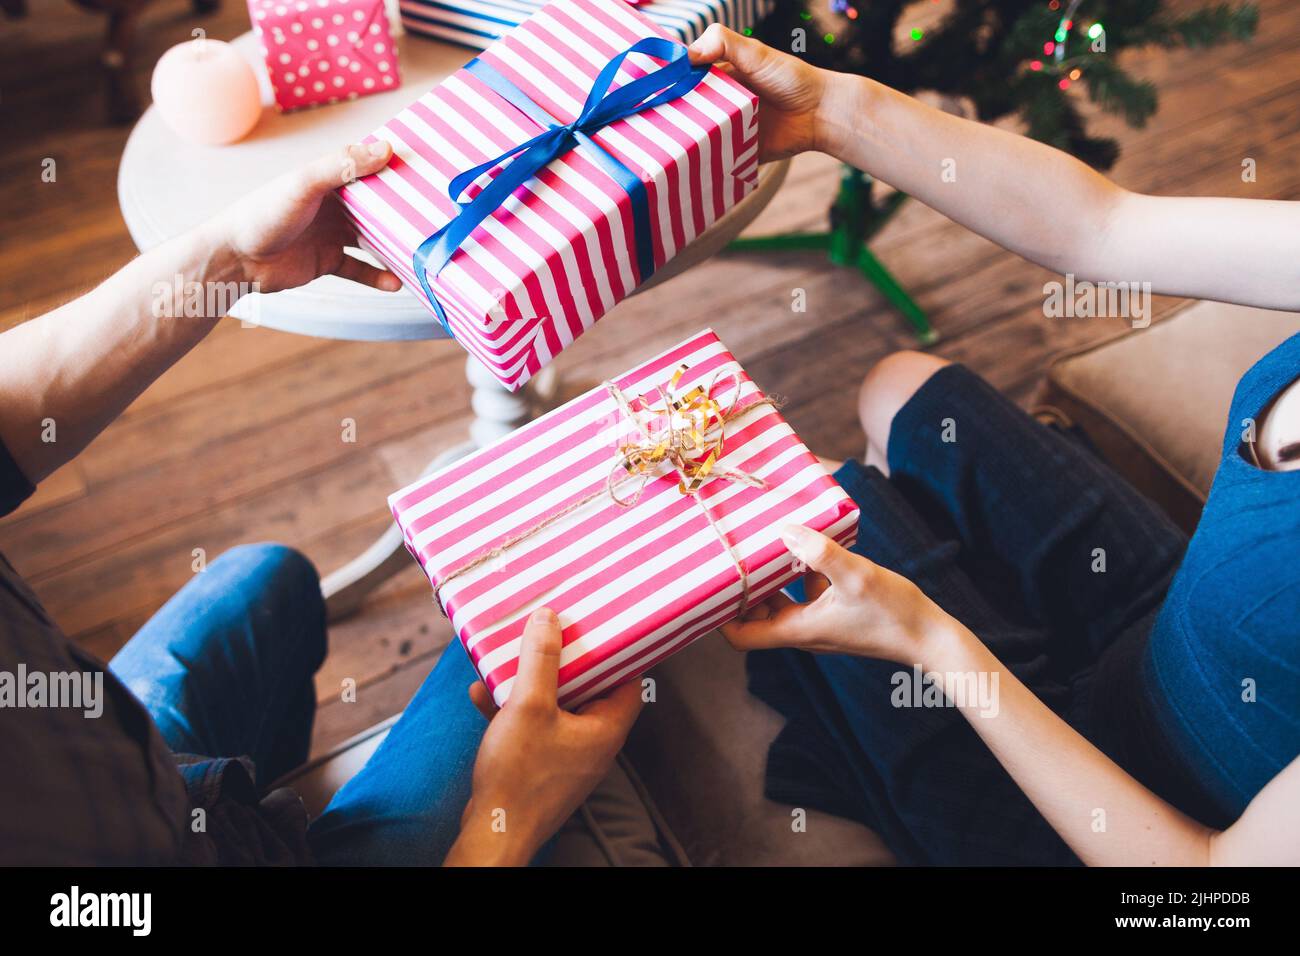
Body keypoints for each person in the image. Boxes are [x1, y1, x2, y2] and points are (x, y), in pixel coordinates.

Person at [688, 24, 1300, 865]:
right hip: (1170, 634)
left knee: (792, 503)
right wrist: (832, 108)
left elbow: (1206, 882)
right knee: (896, 387)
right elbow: (1104, 229)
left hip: (1119, 822)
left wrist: (933, 640)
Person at [0, 142, 639, 866]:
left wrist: (230, 259)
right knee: (554, 621)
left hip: (140, 778)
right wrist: (506, 819)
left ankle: (275, 810)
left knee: (266, 579)